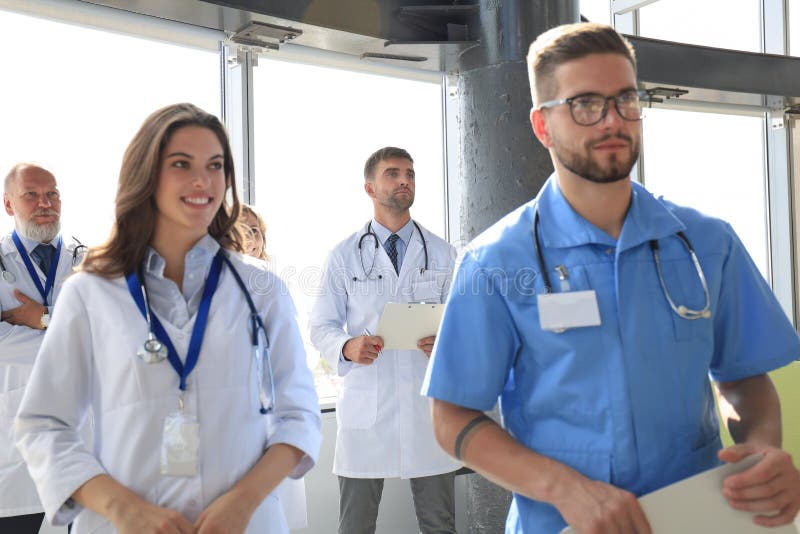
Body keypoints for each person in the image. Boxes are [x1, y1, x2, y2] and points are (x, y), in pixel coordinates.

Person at [423, 22, 800, 533]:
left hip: (695, 518)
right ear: (542, 126)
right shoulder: (495, 264)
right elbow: (452, 418)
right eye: (585, 104)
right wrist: (566, 489)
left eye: (626, 99)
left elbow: (742, 380)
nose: (612, 120)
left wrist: (761, 447)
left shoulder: (708, 244)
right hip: (562, 524)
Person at [15, 103, 322, 534]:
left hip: (246, 523)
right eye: (182, 164)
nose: (202, 181)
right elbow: (44, 425)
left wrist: (245, 500)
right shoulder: (90, 292)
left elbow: (300, 413)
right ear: (147, 175)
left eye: (215, 166)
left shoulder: (263, 289)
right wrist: (124, 509)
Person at [309, 147, 460, 534]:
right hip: (366, 408)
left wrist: (445, 341)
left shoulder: (442, 253)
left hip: (426, 409)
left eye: (410, 173)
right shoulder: (344, 255)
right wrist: (347, 347)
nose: (404, 180)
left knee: (439, 525)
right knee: (355, 526)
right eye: (392, 173)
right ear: (370, 187)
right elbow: (321, 325)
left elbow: (464, 326)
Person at [0, 163, 85, 533]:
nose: (44, 203)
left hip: (82, 434)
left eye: (52, 194)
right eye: (31, 195)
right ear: (8, 205)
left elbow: (105, 336)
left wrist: (43, 318)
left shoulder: (91, 261)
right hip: (15, 435)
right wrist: (69, 333)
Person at [238, 203, 308, 531]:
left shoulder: (271, 285)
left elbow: (291, 368)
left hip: (272, 421)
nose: (253, 236)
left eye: (258, 230)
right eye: (245, 227)